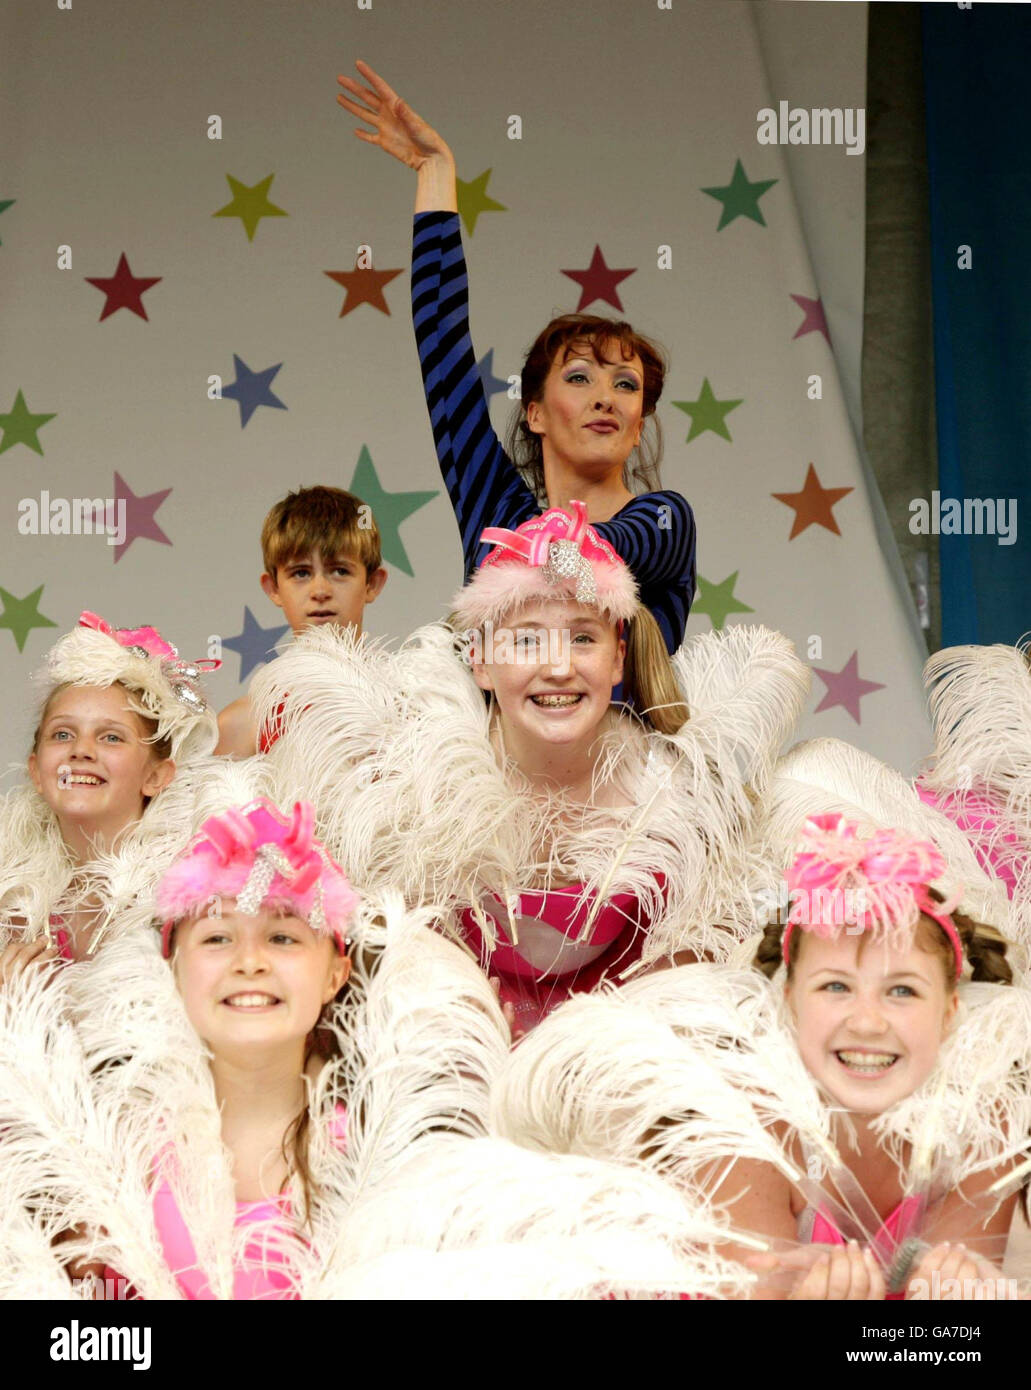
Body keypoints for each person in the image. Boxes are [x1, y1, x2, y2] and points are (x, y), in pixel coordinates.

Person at [253, 503, 809, 1031]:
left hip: (630, 1060)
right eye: (525, 640)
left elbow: (708, 960)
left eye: (583, 638)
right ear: (480, 661)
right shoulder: (414, 784)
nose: (559, 667)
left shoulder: (675, 793)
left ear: (618, 658)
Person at [494, 815, 1031, 1298]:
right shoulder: (747, 1131)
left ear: (949, 1011)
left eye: (902, 991)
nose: (867, 1021)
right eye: (836, 987)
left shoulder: (984, 1125)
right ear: (789, 1001)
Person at [336, 61, 696, 654]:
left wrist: (533, 546)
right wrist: (435, 172)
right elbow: (444, 353)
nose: (605, 397)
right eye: (579, 378)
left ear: (639, 429)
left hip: (622, 750)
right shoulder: (495, 510)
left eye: (626, 385)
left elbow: (601, 548)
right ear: (534, 412)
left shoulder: (665, 521)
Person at [0, 611, 221, 972]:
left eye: (111, 737)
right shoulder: (12, 904)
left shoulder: (195, 894)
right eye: (62, 734)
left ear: (156, 775)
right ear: (35, 771)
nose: (81, 750)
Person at [216, 486, 387, 758]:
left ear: (372, 584)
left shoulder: (412, 706)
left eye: (340, 571)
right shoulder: (242, 726)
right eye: (301, 573)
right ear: (273, 588)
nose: (320, 591)